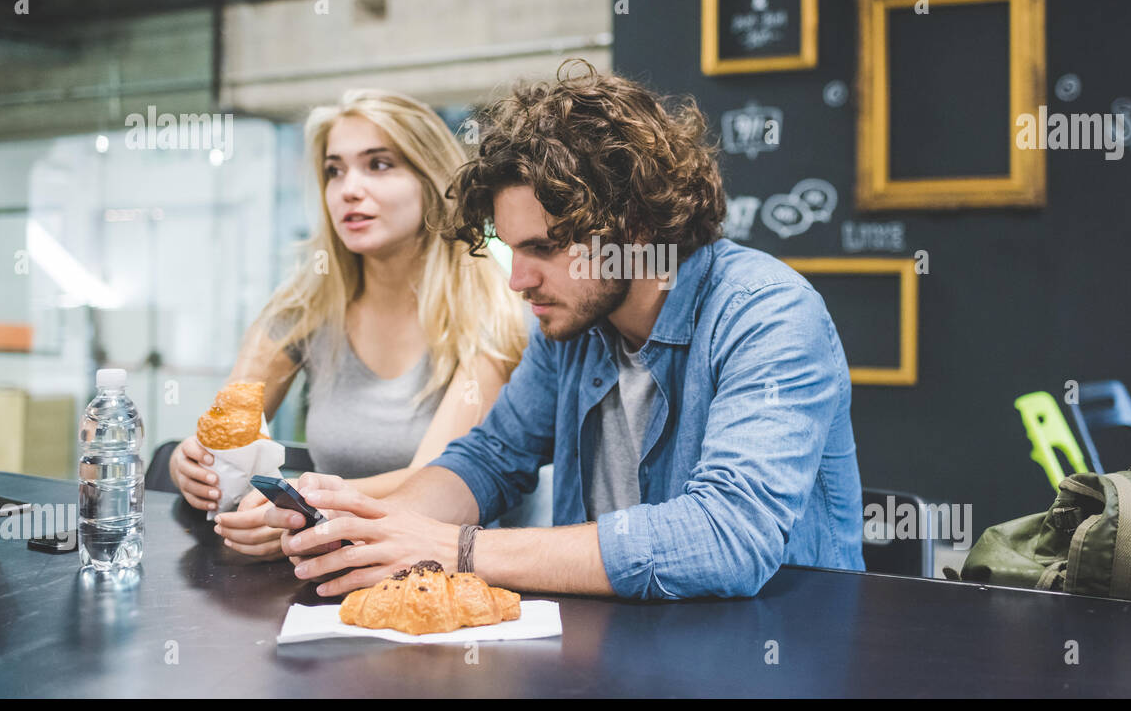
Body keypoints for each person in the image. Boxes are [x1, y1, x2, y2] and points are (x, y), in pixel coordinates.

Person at [266, 61, 864, 598]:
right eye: (510, 248)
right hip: (611, 655)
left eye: (545, 248)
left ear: (634, 231)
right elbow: (491, 459)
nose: (516, 281)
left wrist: (457, 550)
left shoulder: (767, 314)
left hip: (770, 660)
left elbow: (726, 537)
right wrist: (369, 529)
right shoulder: (575, 326)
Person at [169, 90, 528, 559]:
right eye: (334, 171)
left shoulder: (492, 310)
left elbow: (441, 476)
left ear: (431, 179)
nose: (349, 189)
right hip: (327, 569)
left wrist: (304, 508)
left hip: (452, 577)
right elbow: (229, 433)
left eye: (378, 165)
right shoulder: (303, 308)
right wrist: (193, 463)